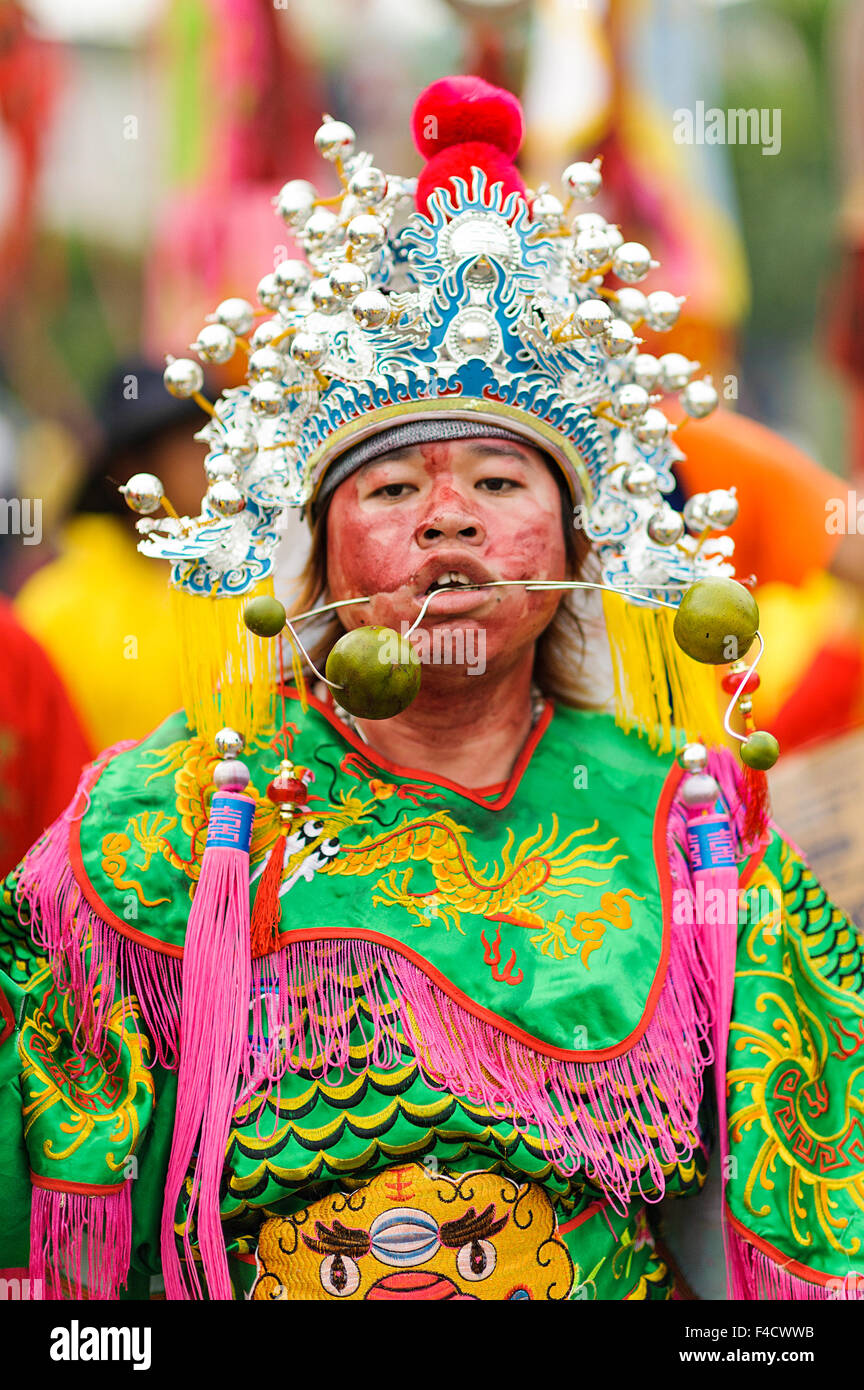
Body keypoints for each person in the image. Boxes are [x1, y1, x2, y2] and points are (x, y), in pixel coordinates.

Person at [1, 75, 862, 1303]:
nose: (447, 518)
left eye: (501, 487)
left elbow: (816, 1228)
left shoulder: (696, 832)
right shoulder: (160, 828)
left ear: (575, 553)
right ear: (318, 551)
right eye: (393, 491)